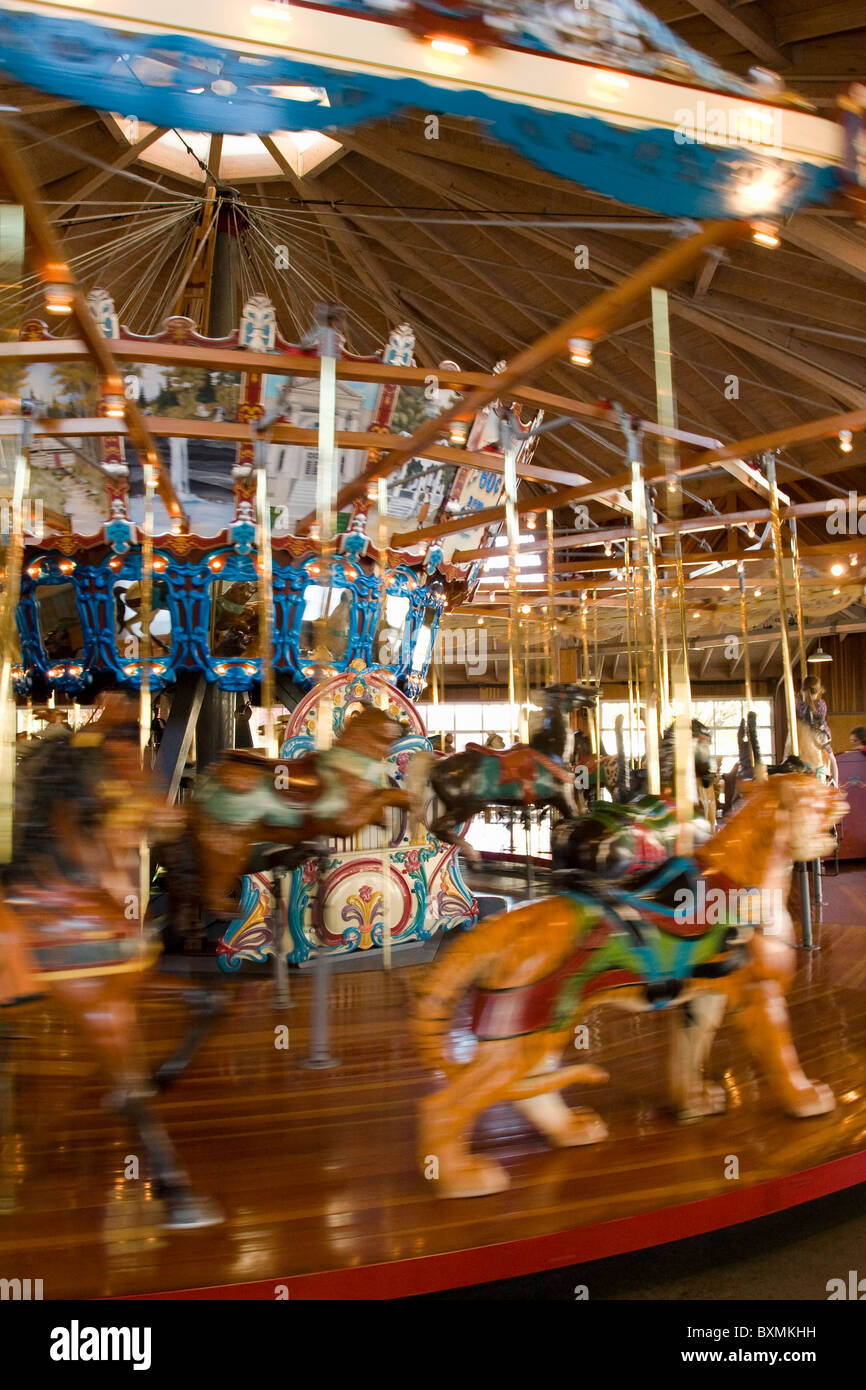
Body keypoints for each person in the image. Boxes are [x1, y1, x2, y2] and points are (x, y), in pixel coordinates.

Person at [796, 675, 838, 782]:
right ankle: (836, 783)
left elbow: (800, 719)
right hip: (820, 736)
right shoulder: (821, 704)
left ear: (803, 690)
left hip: (805, 737)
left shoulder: (800, 706)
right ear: (818, 690)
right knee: (832, 758)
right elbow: (821, 720)